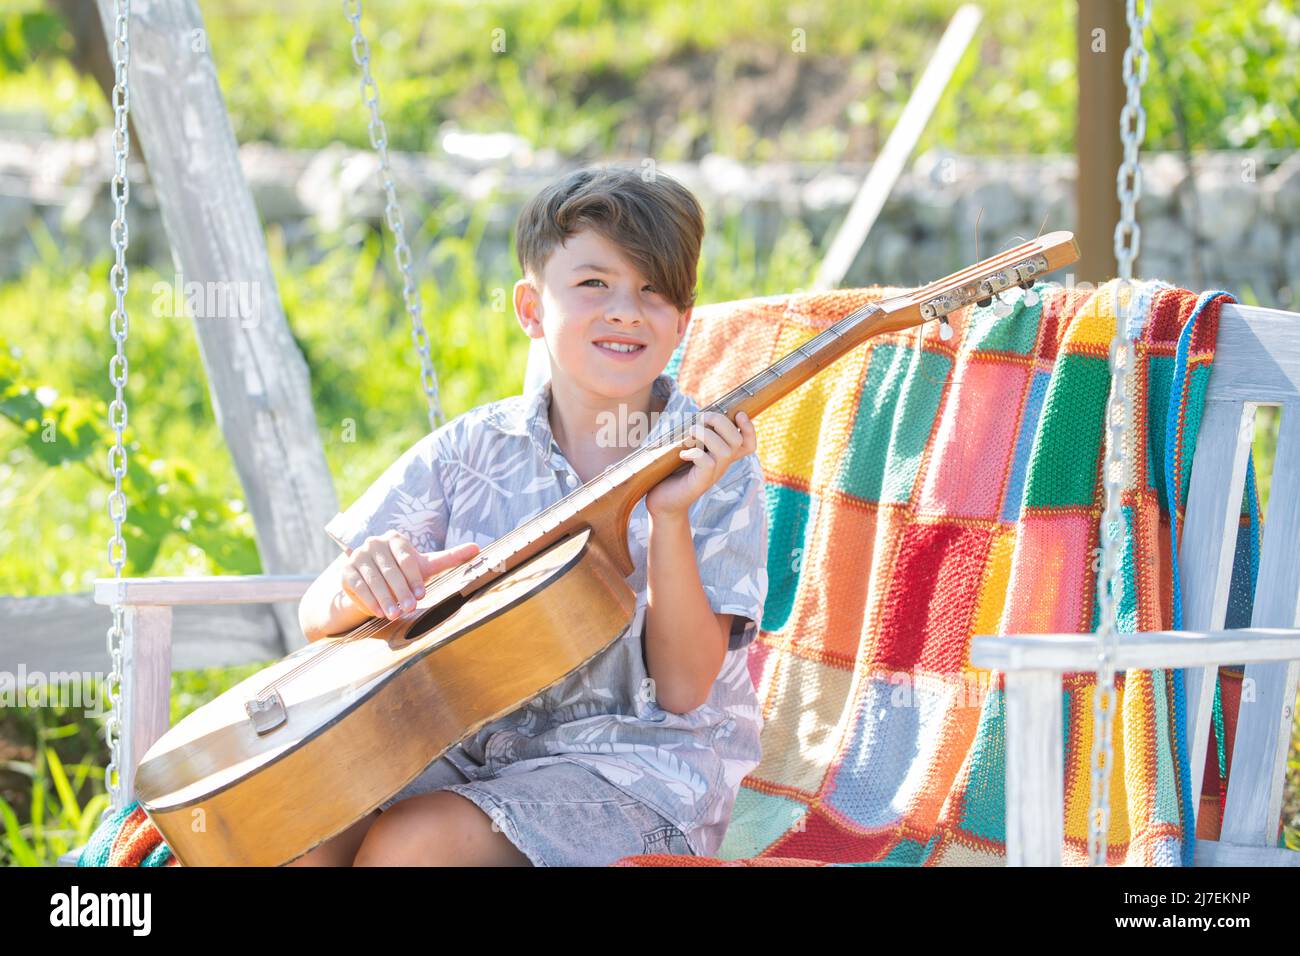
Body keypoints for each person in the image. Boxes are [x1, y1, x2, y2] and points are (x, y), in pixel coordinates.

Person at [290, 164, 768, 866]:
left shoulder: (711, 464)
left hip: (640, 776)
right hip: (468, 751)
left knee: (414, 847)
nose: (625, 311)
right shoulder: (471, 448)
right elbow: (316, 611)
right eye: (593, 284)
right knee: (301, 824)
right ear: (531, 309)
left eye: (653, 291)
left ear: (683, 323)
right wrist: (360, 582)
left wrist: (669, 520)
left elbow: (683, 686)